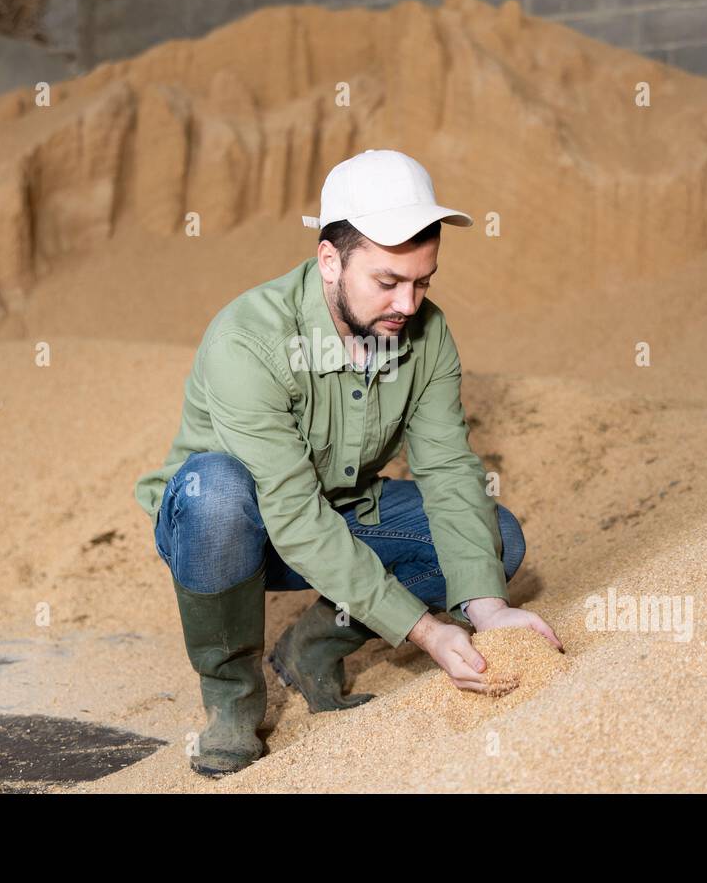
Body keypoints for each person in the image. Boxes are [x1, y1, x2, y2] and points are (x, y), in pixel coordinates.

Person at [135, 148, 563, 778]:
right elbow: (291, 510)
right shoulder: (248, 340)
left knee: (494, 539)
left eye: (423, 281)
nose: (409, 304)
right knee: (217, 492)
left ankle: (313, 647)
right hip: (230, 527)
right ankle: (232, 703)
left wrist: (485, 609)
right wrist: (424, 631)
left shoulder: (426, 332)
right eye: (387, 282)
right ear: (329, 261)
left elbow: (446, 470)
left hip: (343, 510)